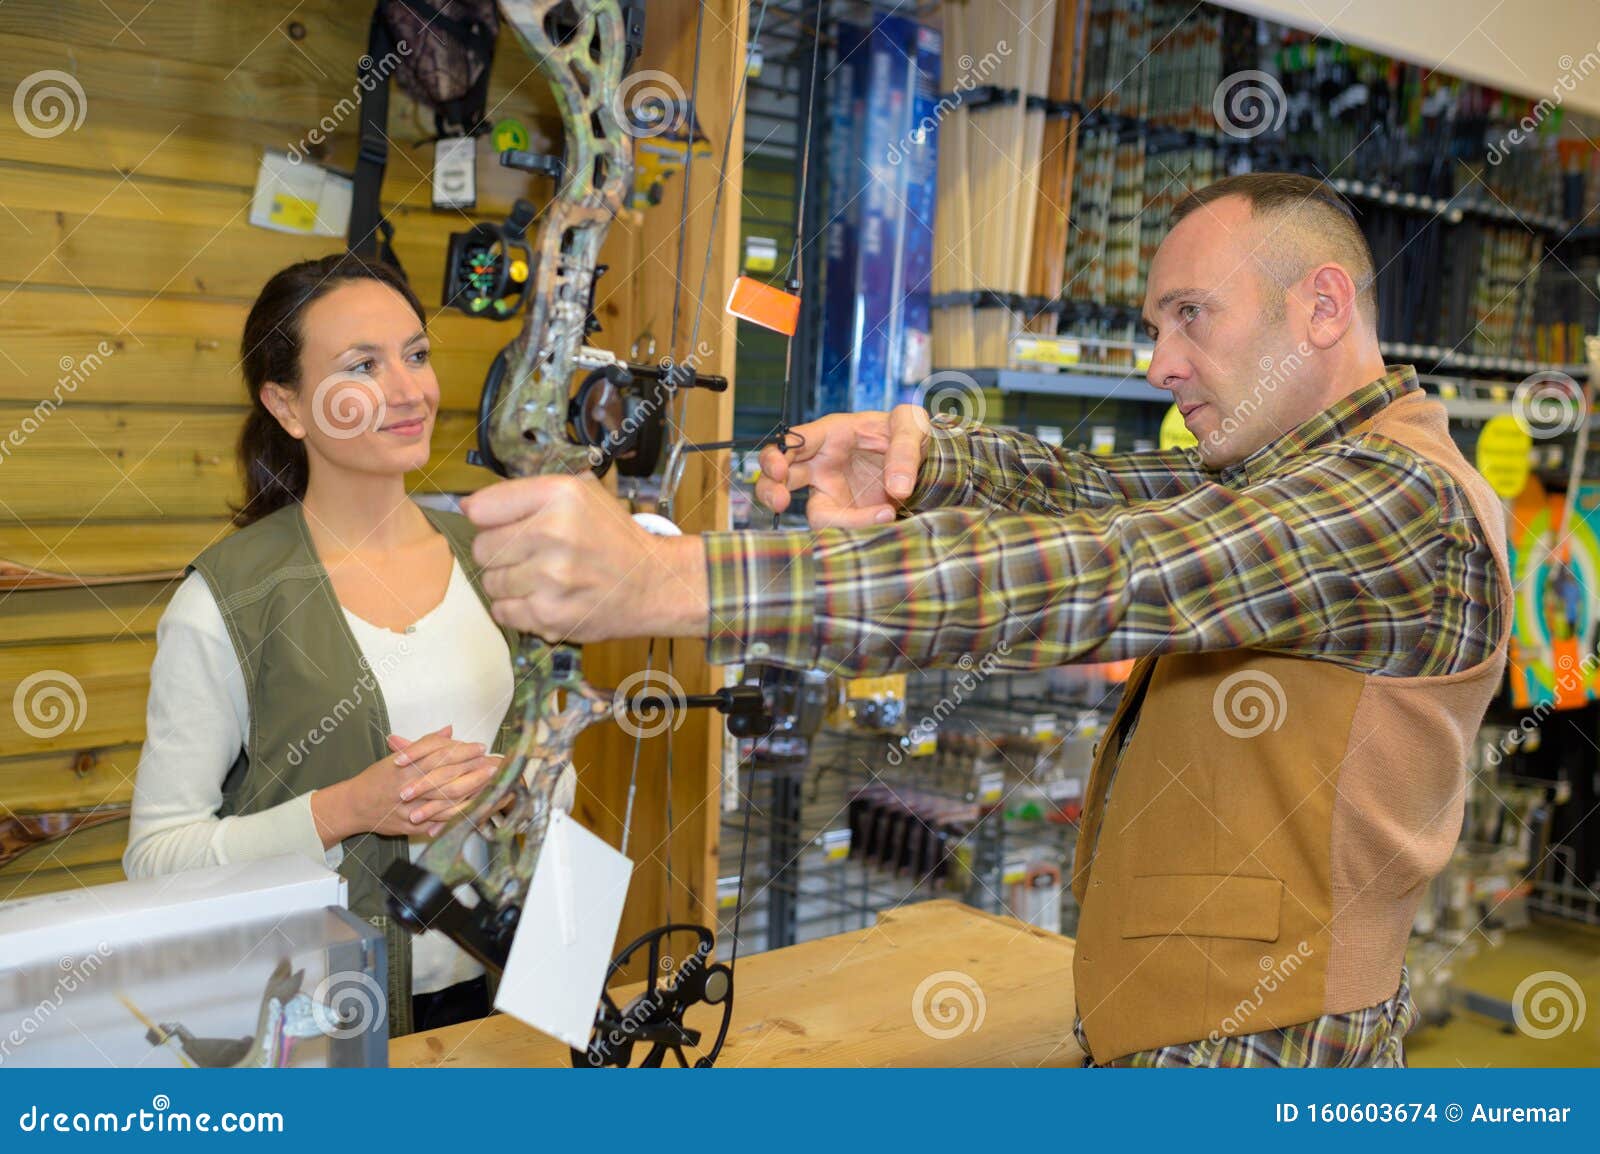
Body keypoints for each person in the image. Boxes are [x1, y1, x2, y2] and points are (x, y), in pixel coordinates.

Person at [459, 173, 1511, 1067]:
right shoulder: (1302, 475)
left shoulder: (1395, 502)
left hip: (1260, 1049)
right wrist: (916, 462)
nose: (1161, 364)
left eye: (1192, 314)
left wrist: (663, 579)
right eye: (1157, 327)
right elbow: (1102, 496)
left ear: (1322, 306)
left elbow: (1096, 571)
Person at [124, 254, 573, 1037]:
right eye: (363, 366)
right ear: (287, 407)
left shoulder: (501, 558)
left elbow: (558, 768)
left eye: (417, 354)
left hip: (511, 1002)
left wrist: (519, 790)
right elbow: (157, 860)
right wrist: (345, 810)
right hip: (321, 1024)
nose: (409, 391)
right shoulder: (225, 603)